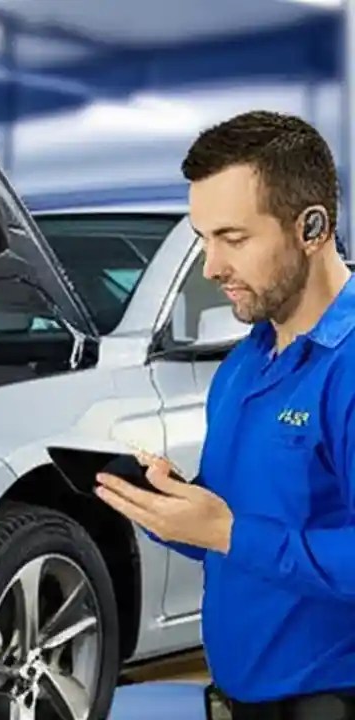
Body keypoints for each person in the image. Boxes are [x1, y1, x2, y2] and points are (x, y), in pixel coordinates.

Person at [95, 110, 355, 719]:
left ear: (312, 228)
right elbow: (241, 532)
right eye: (204, 238)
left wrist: (227, 531)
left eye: (233, 239)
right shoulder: (244, 365)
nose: (211, 268)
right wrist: (170, 508)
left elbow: (240, 534)